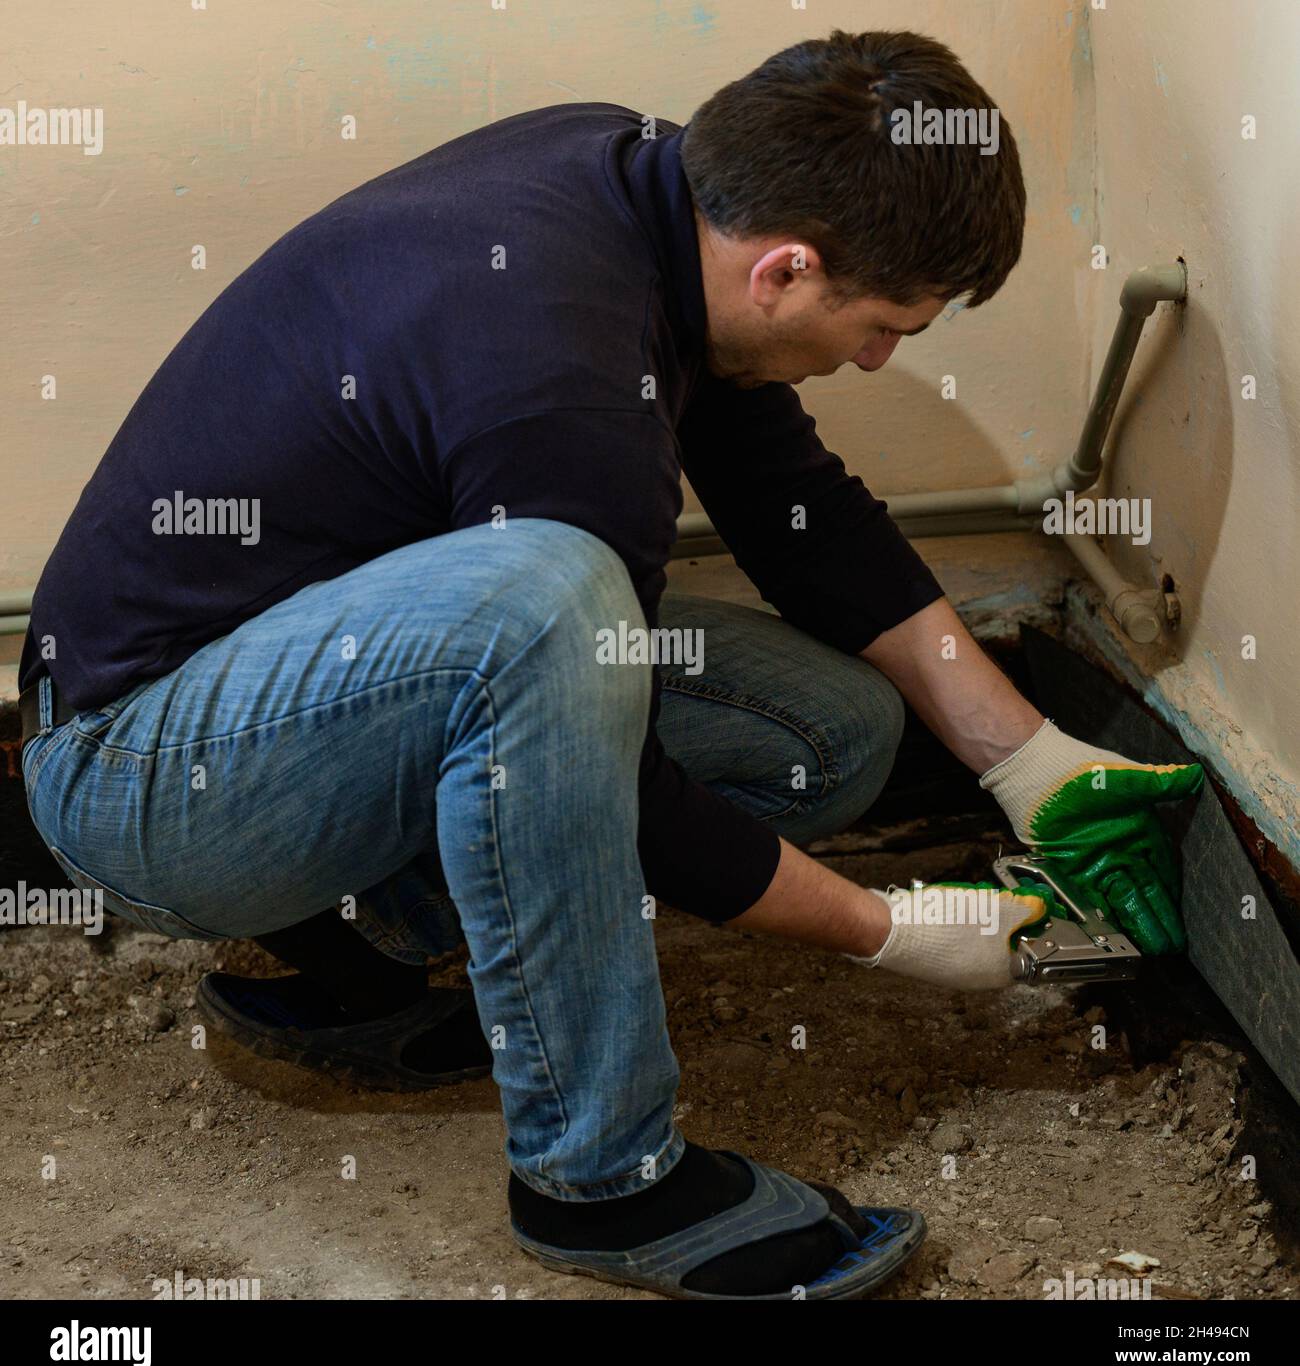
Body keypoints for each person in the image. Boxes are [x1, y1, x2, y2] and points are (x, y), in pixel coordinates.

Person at [18, 30, 1201, 1299]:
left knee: (828, 734)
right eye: (880, 326)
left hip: (316, 704)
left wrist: (1027, 762)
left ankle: (375, 925)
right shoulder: (555, 363)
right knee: (547, 603)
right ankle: (603, 1181)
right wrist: (889, 931)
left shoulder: (657, 195)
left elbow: (791, 502)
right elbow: (621, 784)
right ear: (789, 268)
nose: (876, 361)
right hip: (145, 776)